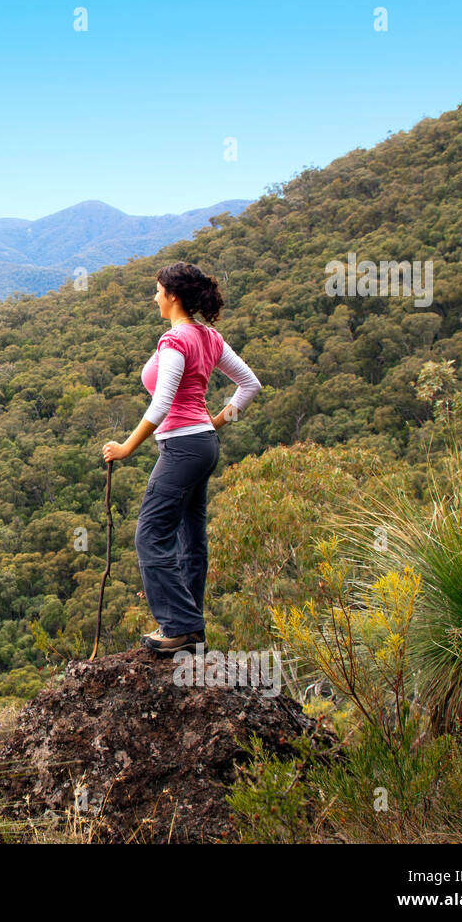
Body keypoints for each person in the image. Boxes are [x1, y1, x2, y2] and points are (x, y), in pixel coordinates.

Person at [101, 262, 261, 655]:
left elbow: (161, 404)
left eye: (157, 290)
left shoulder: (174, 341)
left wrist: (126, 447)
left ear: (172, 296)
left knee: (150, 535)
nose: (154, 297)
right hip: (204, 444)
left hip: (182, 448)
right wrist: (217, 422)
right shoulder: (210, 337)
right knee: (191, 537)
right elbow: (249, 385)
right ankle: (190, 625)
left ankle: (178, 626)